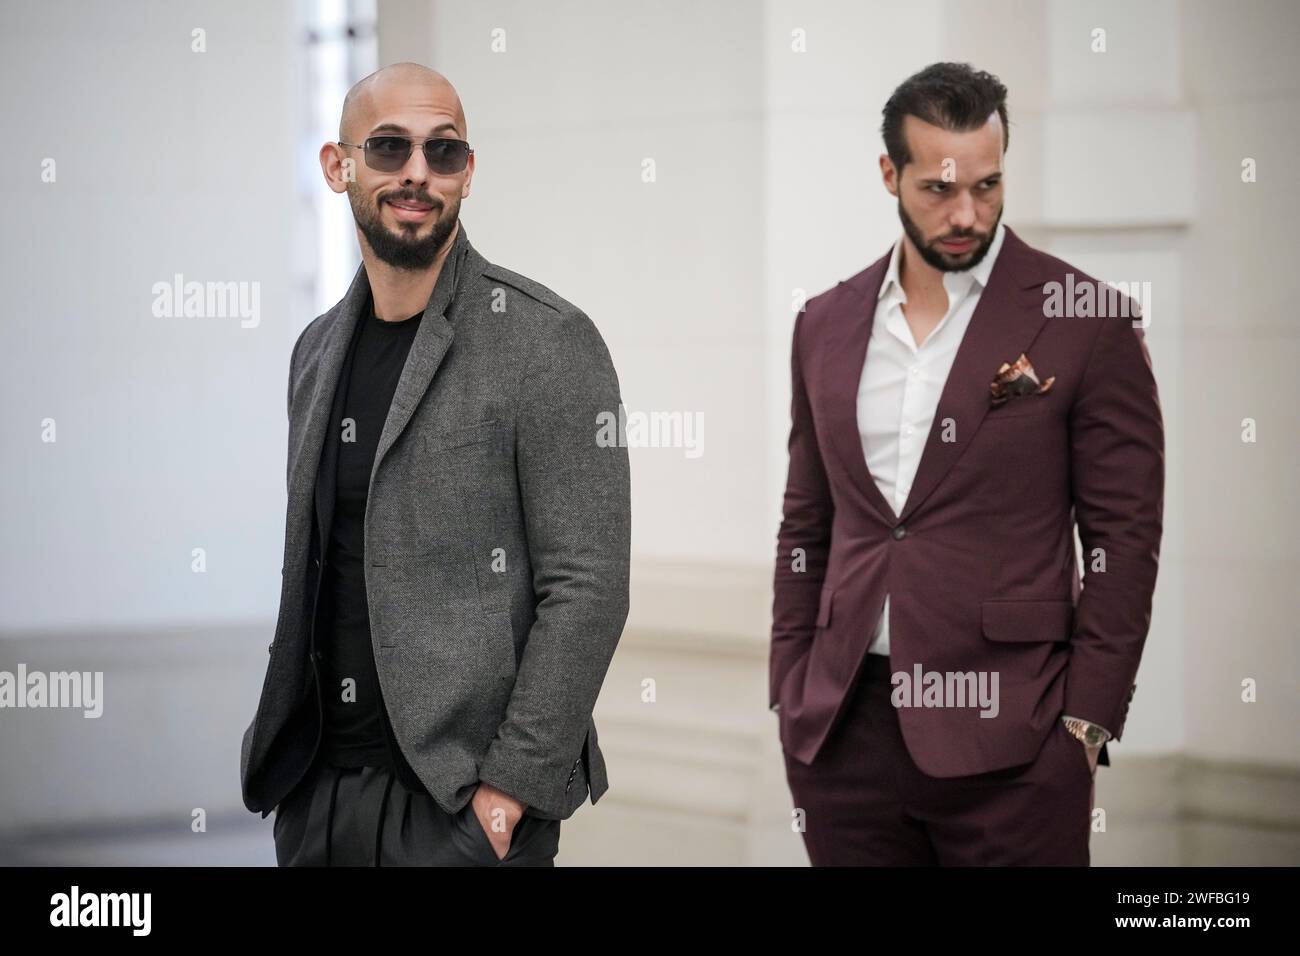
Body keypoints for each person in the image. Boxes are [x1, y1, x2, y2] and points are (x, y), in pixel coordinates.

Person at [770, 62, 1164, 865]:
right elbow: (806, 520)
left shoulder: (1085, 319)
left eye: (987, 187)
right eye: (938, 190)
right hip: (845, 734)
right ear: (889, 173)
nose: (966, 213)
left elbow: (1123, 538)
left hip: (1016, 744)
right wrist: (790, 685)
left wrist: (1084, 726)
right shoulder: (824, 323)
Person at [239, 63, 631, 866]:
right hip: (318, 798)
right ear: (337, 165)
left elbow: (589, 588)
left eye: (443, 152)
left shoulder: (546, 341)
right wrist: (299, 799)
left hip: (460, 812)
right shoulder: (313, 352)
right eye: (388, 147)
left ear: (468, 173)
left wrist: (505, 797)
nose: (417, 171)